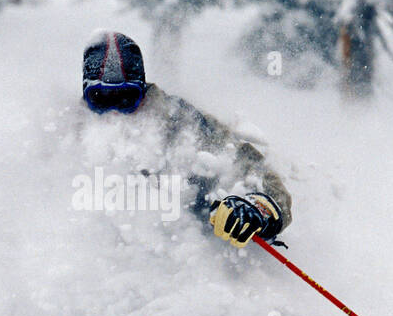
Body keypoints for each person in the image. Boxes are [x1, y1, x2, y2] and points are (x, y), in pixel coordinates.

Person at [81, 30, 292, 247]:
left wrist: (258, 207)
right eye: (101, 99)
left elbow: (256, 172)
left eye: (127, 98)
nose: (115, 113)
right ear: (86, 96)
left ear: (142, 92)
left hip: (189, 260)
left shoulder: (184, 125)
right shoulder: (70, 131)